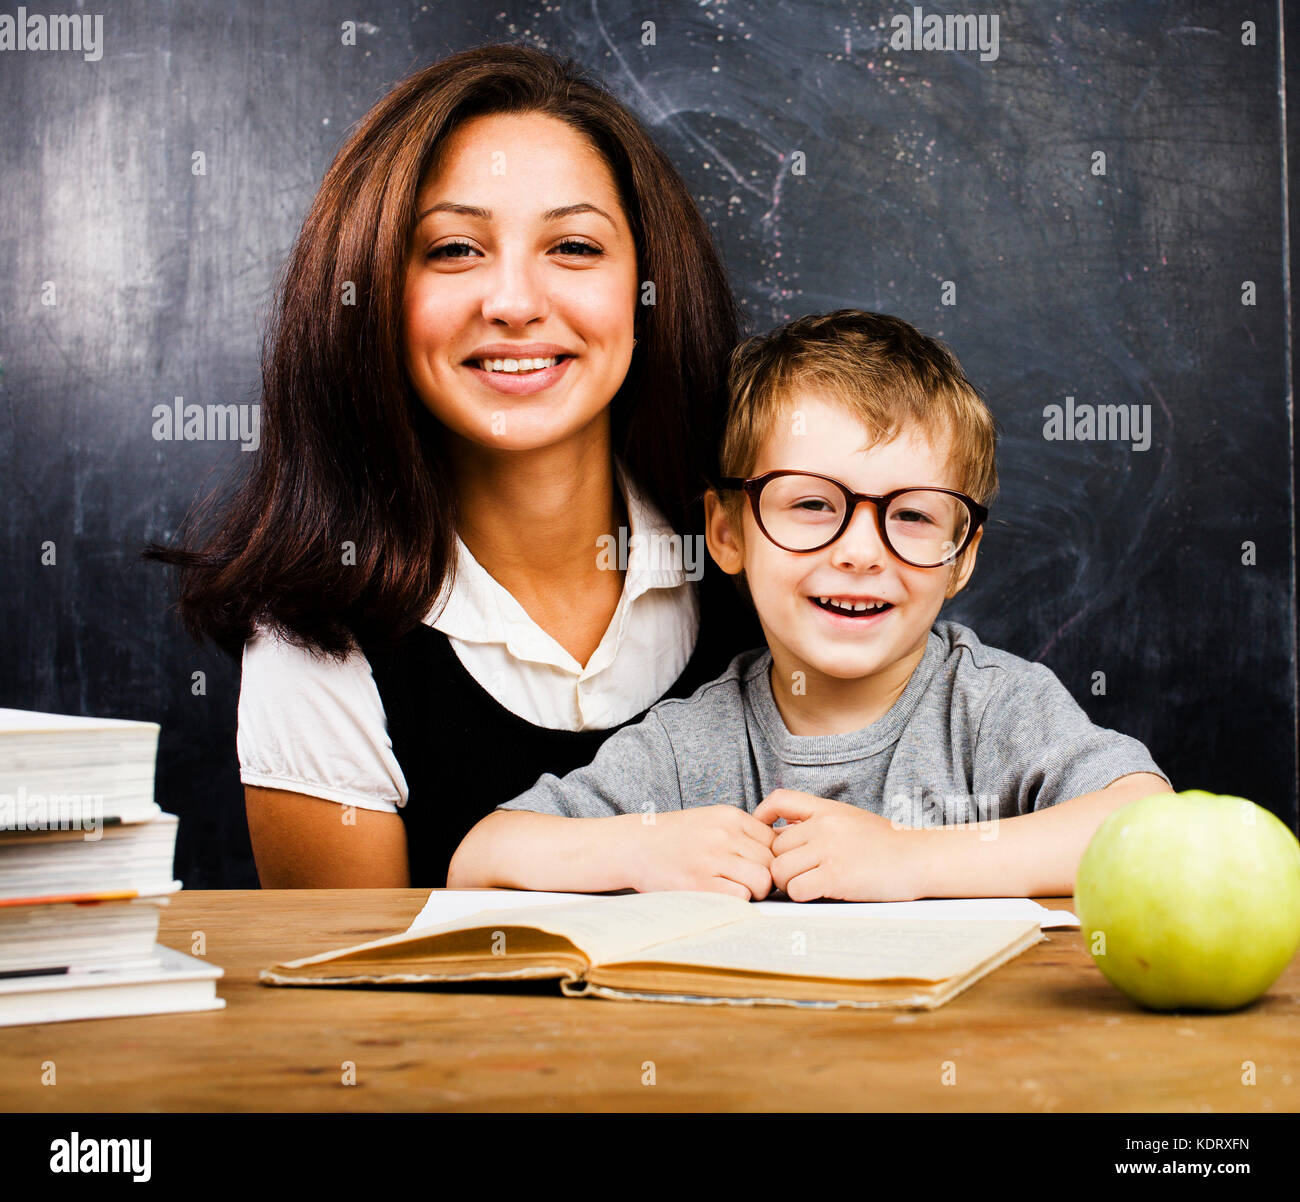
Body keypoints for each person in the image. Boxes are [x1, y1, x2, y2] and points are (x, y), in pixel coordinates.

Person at [142, 43, 763, 887]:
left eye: (574, 247)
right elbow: (359, 1001)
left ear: (648, 291)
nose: (512, 302)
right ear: (374, 297)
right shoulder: (316, 637)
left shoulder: (772, 561)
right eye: (454, 250)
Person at [447, 310, 1172, 901]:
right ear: (727, 532)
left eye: (914, 516)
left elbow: (1146, 825)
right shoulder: (691, 745)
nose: (861, 551)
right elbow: (482, 857)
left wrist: (909, 862)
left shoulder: (991, 711)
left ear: (963, 555)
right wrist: (637, 848)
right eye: (812, 503)